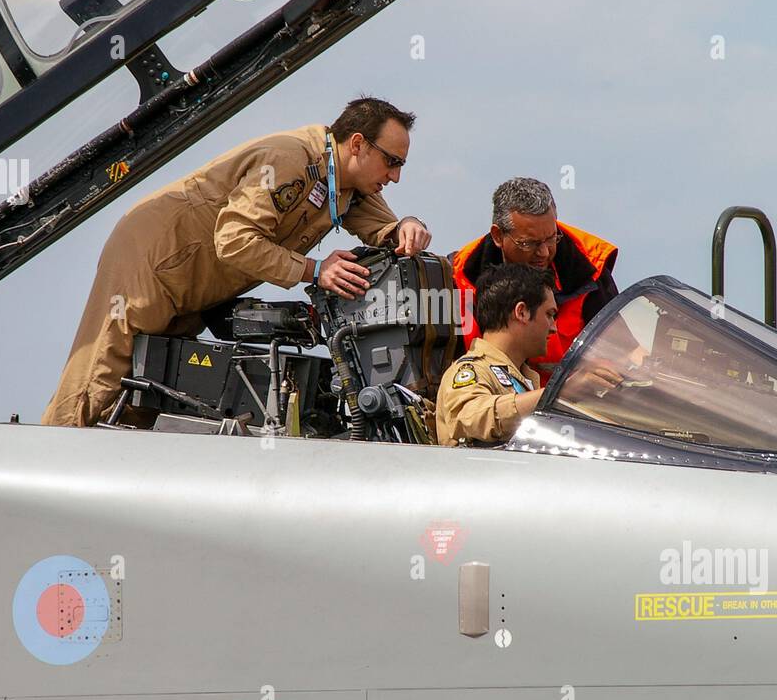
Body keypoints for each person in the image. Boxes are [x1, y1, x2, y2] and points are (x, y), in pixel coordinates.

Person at [42, 97, 432, 427]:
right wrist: (314, 270)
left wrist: (408, 226)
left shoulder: (346, 184)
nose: (394, 177)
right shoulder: (291, 160)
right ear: (359, 144)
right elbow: (234, 240)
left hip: (197, 286)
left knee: (152, 396)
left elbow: (385, 227)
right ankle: (41, 467)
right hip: (153, 260)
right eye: (392, 162)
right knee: (98, 382)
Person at [449, 177, 618, 385]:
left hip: (574, 409)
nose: (544, 252)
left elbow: (625, 350)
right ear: (498, 236)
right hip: (491, 404)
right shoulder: (457, 280)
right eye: (529, 243)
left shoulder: (590, 271)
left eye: (551, 238)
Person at [436, 264, 557, 447]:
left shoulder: (526, 378)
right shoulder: (470, 370)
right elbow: (471, 418)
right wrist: (558, 393)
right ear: (522, 312)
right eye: (549, 314)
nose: (554, 327)